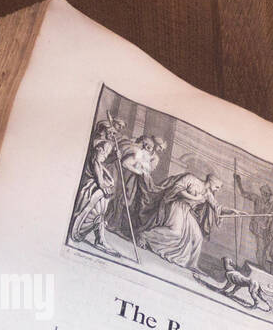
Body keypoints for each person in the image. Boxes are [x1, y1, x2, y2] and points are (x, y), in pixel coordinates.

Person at [138, 171, 231, 268]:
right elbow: (177, 188)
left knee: (198, 238)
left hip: (187, 211)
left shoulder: (208, 194)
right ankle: (144, 236)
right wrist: (194, 198)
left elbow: (217, 207)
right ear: (211, 182)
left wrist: (234, 212)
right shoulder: (191, 178)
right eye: (217, 187)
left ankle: (192, 265)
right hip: (177, 205)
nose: (218, 190)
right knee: (175, 232)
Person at [69, 115, 125, 255]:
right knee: (99, 209)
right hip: (94, 181)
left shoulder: (96, 141)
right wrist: (101, 183)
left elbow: (99, 161)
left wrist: (114, 157)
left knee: (99, 210)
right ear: (103, 131)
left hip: (90, 177)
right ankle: (100, 240)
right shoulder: (106, 144)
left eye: (114, 133)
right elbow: (96, 162)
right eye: (111, 132)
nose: (113, 135)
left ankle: (100, 239)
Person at [106, 134, 164, 240]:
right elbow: (125, 163)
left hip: (137, 180)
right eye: (151, 147)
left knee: (129, 202)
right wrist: (138, 171)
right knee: (124, 200)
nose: (159, 149)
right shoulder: (138, 152)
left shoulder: (148, 155)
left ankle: (118, 225)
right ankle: (113, 224)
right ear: (147, 145)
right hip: (130, 177)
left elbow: (148, 169)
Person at [196, 255, 271, 312]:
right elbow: (238, 284)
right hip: (250, 282)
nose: (225, 266)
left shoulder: (230, 274)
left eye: (226, 264)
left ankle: (256, 303)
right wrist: (232, 292)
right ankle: (269, 305)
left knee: (253, 293)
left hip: (250, 282)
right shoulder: (234, 274)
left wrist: (222, 289)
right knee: (259, 294)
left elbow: (231, 283)